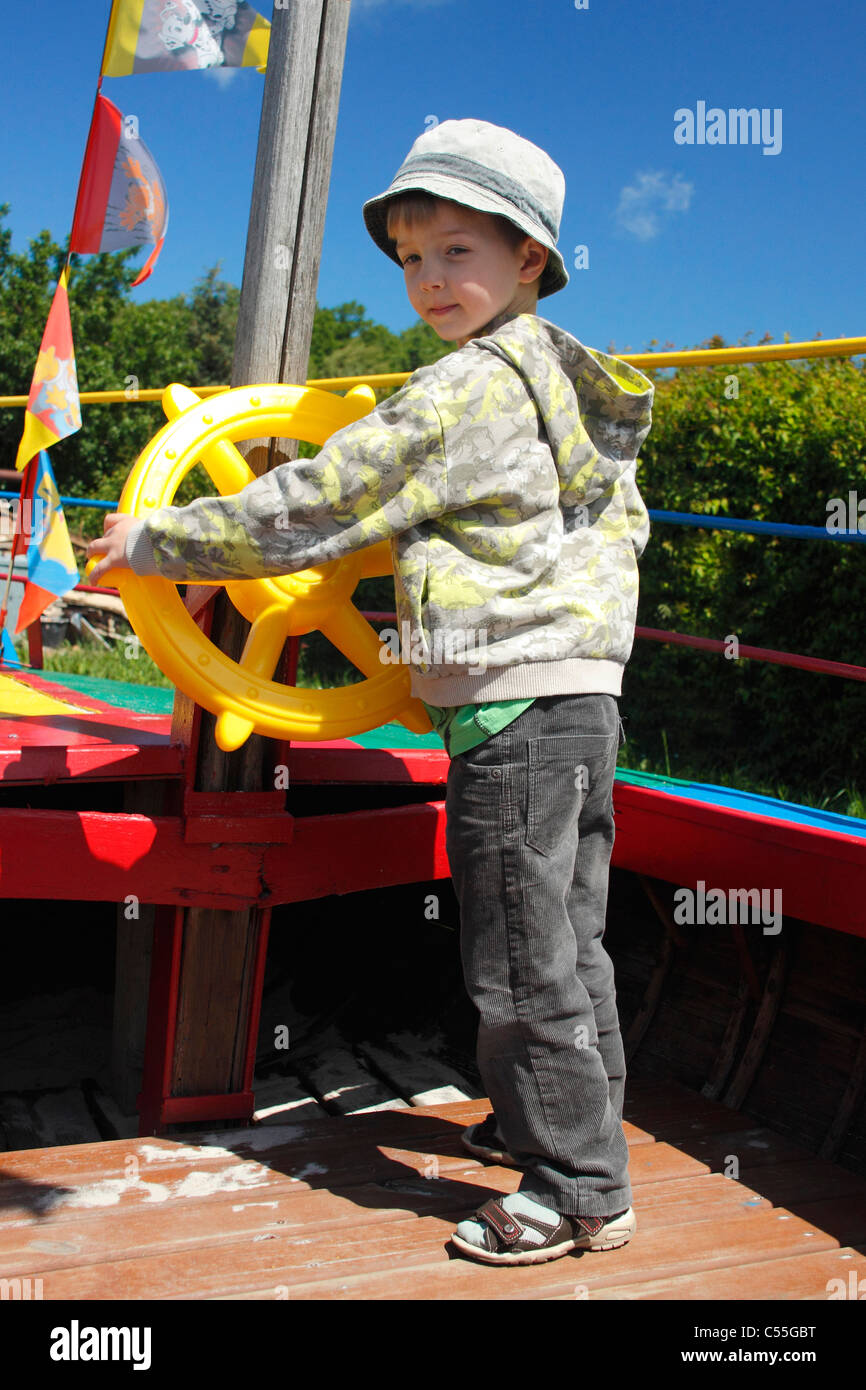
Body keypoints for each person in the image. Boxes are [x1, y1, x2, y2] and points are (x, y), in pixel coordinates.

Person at [88, 118, 654, 1266]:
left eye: (456, 251)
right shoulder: (564, 382)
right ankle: (571, 1128)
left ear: (529, 257)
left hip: (510, 709)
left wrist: (160, 539)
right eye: (409, 257)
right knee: (568, 941)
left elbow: (318, 501)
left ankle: (577, 1188)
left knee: (511, 956)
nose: (428, 281)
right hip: (584, 700)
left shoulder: (461, 391)